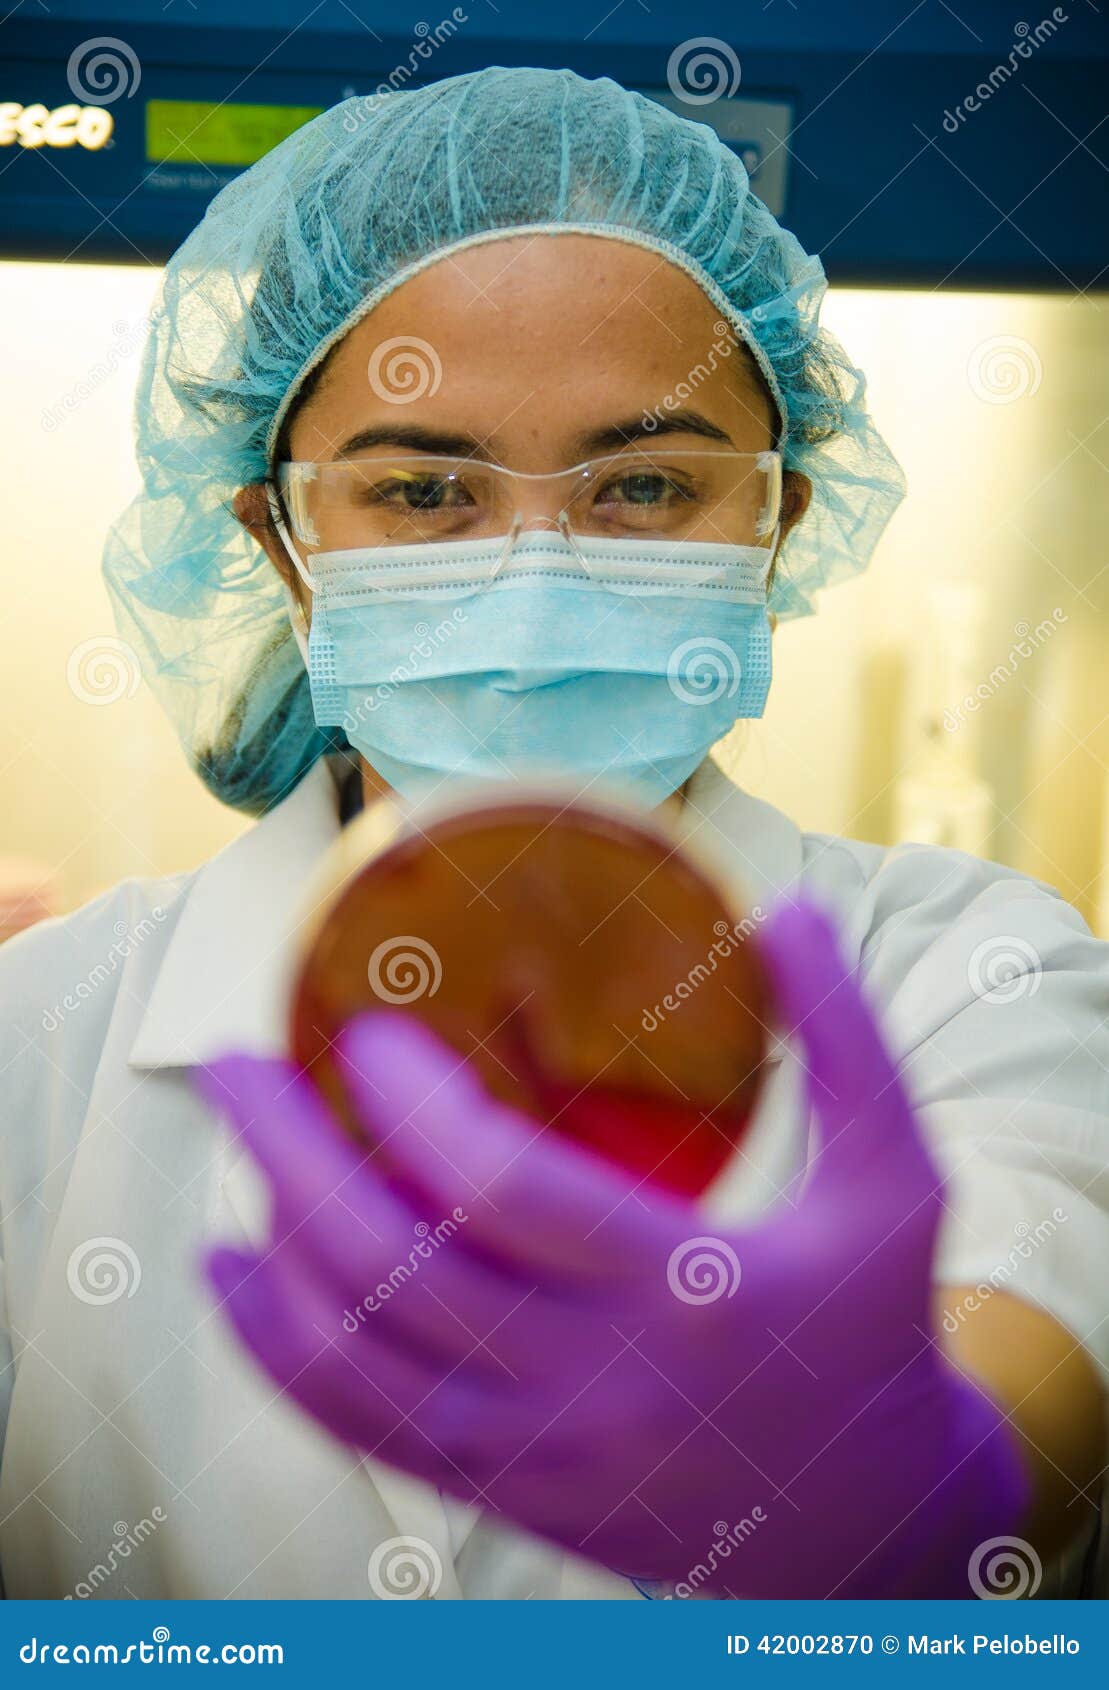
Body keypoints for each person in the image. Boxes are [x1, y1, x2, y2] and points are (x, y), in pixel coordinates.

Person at [0, 66, 1105, 1601]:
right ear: (283, 538)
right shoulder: (37, 1040)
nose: (533, 573)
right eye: (422, 487)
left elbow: (1039, 1351)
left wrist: (916, 1473)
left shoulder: (973, 972)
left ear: (776, 519)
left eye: (643, 482)